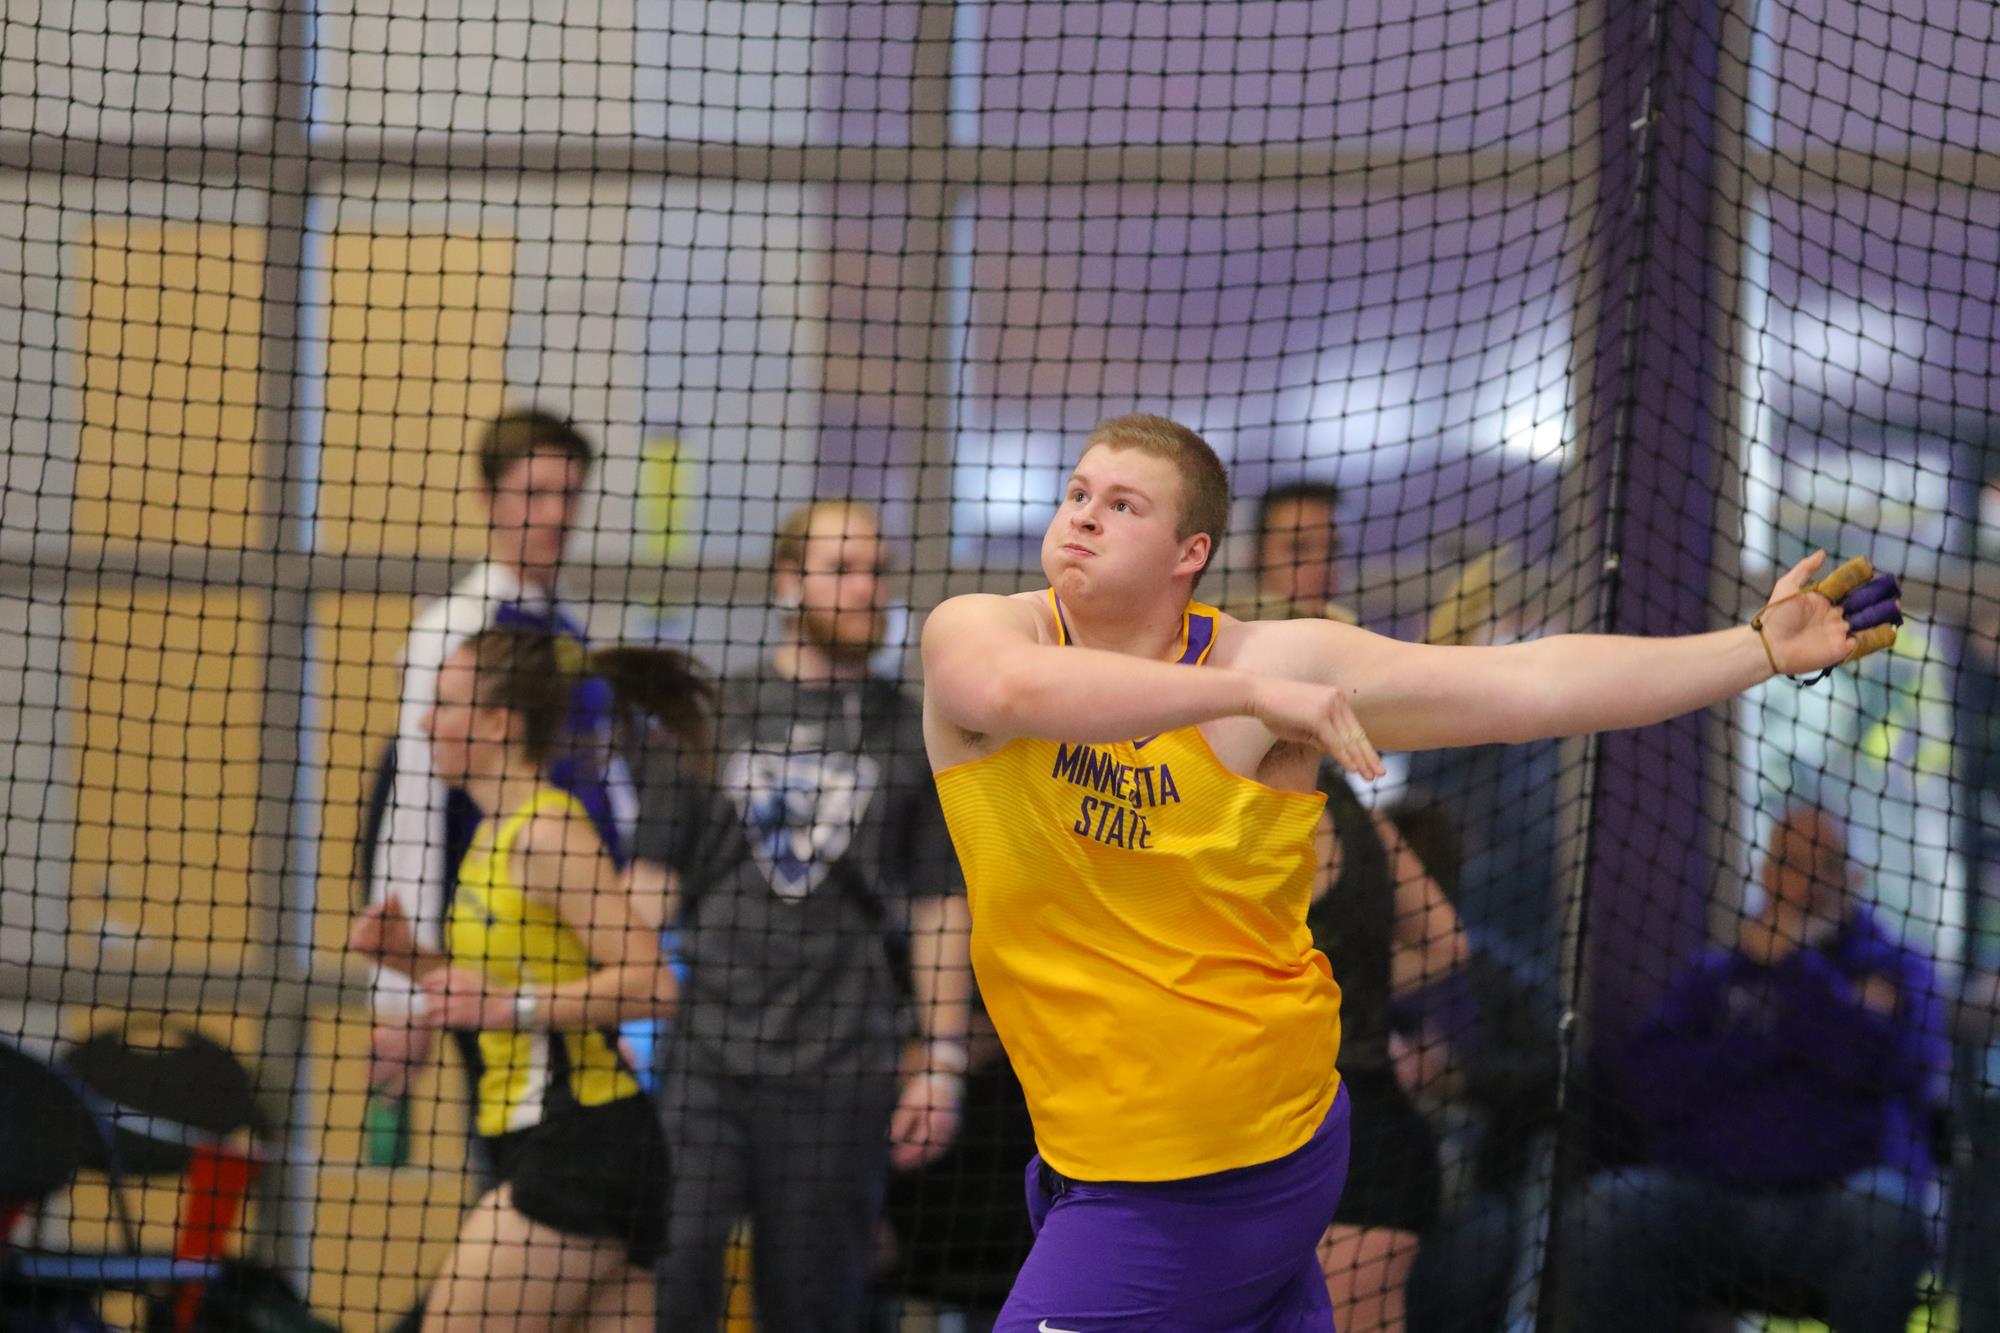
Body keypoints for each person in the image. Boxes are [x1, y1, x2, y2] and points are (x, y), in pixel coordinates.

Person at [916, 412, 1890, 1331]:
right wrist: (1254, 694)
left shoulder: (1278, 653)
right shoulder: (983, 630)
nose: (1083, 514)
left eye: (1123, 504)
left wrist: (1752, 649)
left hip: (1225, 1153)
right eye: (1077, 492)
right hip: (1091, 1147)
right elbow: (1007, 692)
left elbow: (1527, 685)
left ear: (1189, 555)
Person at [645, 498, 973, 1333]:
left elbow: (942, 907)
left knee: (815, 1308)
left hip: (841, 1071)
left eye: (875, 569)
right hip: (703, 1062)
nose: (866, 588)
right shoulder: (710, 714)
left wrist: (939, 1060)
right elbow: (645, 887)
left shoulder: (914, 730)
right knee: (669, 1282)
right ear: (787, 583)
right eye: (840, 569)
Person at [350, 625, 685, 1332]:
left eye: (443, 704)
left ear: (498, 723)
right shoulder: (489, 835)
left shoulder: (548, 834)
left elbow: (654, 983)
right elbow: (499, 988)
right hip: (544, 1139)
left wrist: (515, 1004)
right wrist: (410, 958)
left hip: (583, 1143)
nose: (424, 722)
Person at [1562, 805, 1948, 1332]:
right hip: (1711, 1196)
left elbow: (1889, 1066)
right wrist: (1799, 1032)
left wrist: (1794, 968)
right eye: (1790, 862)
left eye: (1827, 864)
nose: (1807, 881)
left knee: (1884, 1214)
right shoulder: (1714, 977)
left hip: (1834, 1201)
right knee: (1604, 1210)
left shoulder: (1899, 967)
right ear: (1766, 872)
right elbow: (1650, 1085)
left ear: (1854, 877)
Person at [362, 408, 635, 1128]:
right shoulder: (451, 635)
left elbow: (607, 784)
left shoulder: (566, 628)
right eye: (534, 494)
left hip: (579, 950)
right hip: (496, 949)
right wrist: (401, 1001)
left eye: (569, 495)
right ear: (488, 499)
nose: (555, 515)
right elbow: (412, 809)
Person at [1231, 479, 1357, 624]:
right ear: (1257, 557)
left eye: (1334, 547)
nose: (1322, 565)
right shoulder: (1217, 633)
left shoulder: (1357, 634)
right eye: (1299, 547)